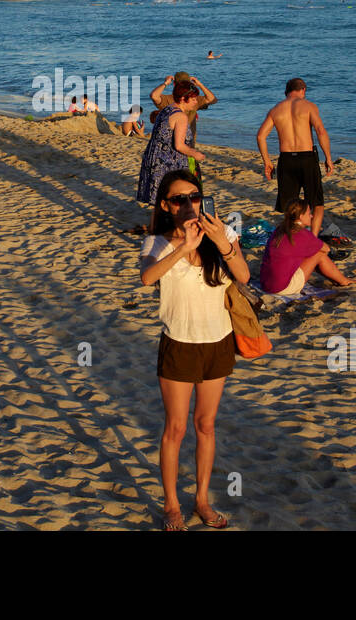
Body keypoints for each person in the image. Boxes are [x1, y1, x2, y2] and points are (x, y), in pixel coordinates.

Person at [140, 168, 248, 531]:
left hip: (218, 342)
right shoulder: (157, 242)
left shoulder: (224, 234)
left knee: (206, 424)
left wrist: (222, 242)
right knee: (176, 428)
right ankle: (171, 503)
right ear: (167, 206)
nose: (189, 205)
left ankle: (202, 499)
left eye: (194, 197)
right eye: (179, 199)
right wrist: (183, 247)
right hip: (179, 344)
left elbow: (245, 277)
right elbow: (147, 278)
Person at [256, 77, 335, 235]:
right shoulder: (309, 106)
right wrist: (328, 157)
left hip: (286, 159)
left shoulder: (275, 110)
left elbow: (260, 136)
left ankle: (292, 236)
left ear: (287, 92)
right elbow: (320, 131)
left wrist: (267, 162)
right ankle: (312, 238)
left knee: (289, 205)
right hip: (307, 158)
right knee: (317, 203)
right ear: (303, 90)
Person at [259, 198, 354, 293]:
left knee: (308, 254)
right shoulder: (303, 234)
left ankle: (339, 280)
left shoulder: (280, 229)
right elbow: (326, 249)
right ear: (301, 216)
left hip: (265, 284)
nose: (312, 216)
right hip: (281, 288)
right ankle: (344, 281)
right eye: (309, 213)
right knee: (319, 254)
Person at [137, 81, 205, 205]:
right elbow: (179, 145)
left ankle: (156, 224)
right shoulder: (181, 116)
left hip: (154, 159)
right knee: (174, 200)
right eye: (194, 99)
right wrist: (195, 154)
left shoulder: (167, 109)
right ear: (184, 99)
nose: (196, 102)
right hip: (168, 164)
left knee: (160, 202)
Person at [149, 72, 217, 149]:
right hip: (181, 141)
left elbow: (154, 95)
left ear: (174, 84)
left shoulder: (169, 99)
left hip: (173, 142)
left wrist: (165, 83)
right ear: (190, 83)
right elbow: (212, 99)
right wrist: (200, 85)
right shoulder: (193, 100)